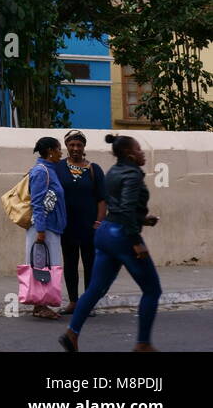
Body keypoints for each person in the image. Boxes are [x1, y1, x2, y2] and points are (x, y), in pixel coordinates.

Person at [60, 134, 163, 352]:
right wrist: (136, 241)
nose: (142, 152)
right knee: (152, 290)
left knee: (95, 288)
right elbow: (125, 209)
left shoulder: (112, 172)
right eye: (138, 149)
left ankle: (72, 333)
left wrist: (143, 219)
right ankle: (143, 343)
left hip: (105, 233)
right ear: (129, 154)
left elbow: (117, 206)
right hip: (122, 235)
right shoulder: (133, 175)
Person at [52, 130, 106, 315]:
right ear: (66, 146)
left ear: (84, 147)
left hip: (89, 226)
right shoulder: (57, 168)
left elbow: (102, 199)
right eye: (72, 145)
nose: (75, 148)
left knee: (90, 264)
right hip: (67, 226)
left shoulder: (94, 169)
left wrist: (98, 223)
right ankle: (74, 301)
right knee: (70, 263)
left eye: (79, 145)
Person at [25, 136, 66, 320]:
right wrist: (40, 231)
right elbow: (37, 203)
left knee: (48, 265)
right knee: (42, 265)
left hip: (50, 228)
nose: (61, 152)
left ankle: (42, 304)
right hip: (43, 228)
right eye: (58, 149)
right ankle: (39, 305)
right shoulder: (41, 172)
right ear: (50, 151)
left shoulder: (50, 169)